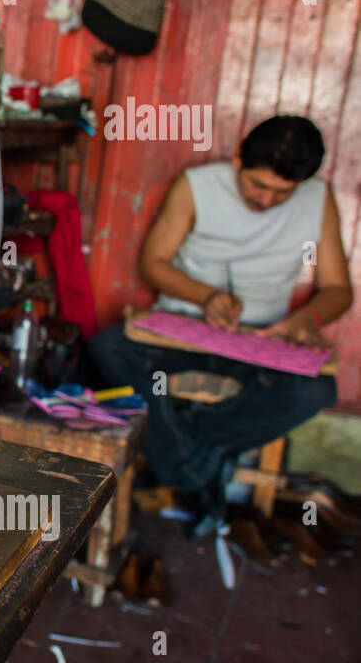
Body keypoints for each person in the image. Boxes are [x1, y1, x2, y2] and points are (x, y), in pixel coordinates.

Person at [90, 115, 351, 533]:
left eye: (282, 193)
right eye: (257, 186)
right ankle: (204, 469)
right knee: (109, 348)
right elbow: (152, 263)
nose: (266, 201)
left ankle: (183, 458)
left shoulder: (317, 199)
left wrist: (306, 318)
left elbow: (338, 289)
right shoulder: (198, 185)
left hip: (261, 337)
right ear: (237, 161)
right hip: (184, 328)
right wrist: (207, 297)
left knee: (317, 390)